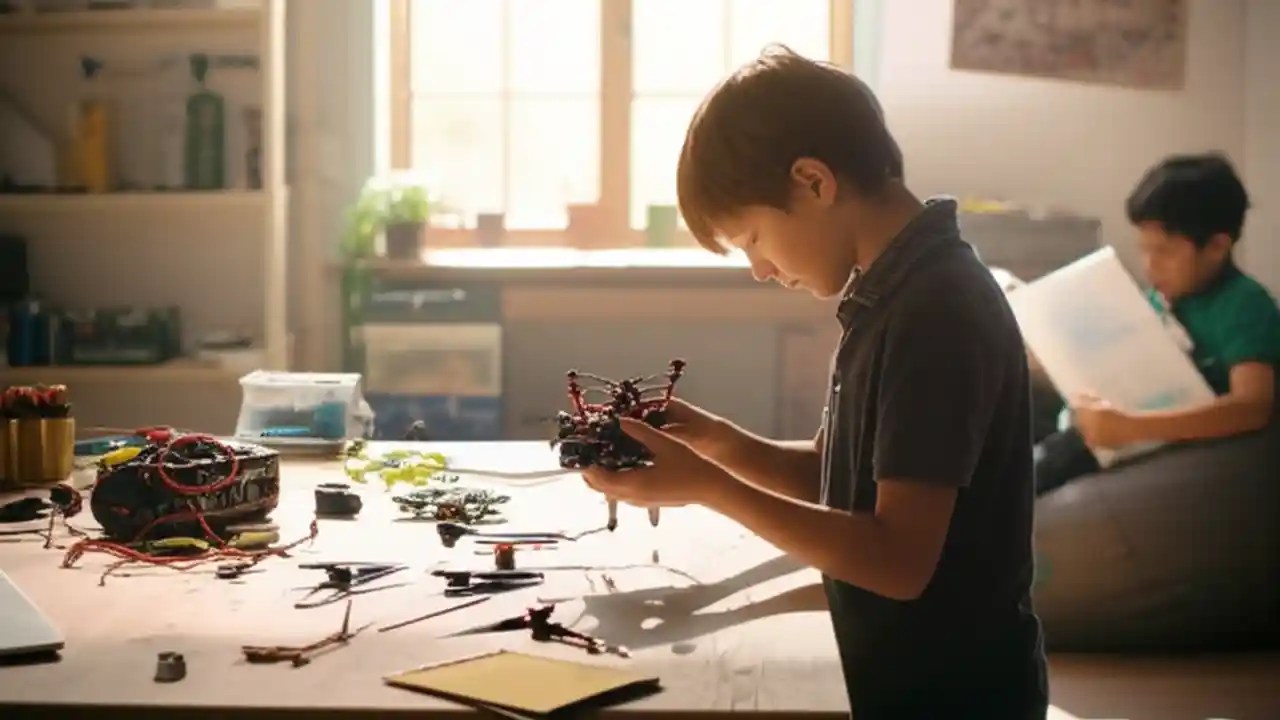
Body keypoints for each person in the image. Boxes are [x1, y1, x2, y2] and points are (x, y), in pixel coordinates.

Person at [580, 46, 1048, 718]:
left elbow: (897, 559)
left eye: (752, 238)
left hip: (948, 695)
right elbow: (841, 479)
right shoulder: (891, 293)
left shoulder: (936, 310)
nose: (760, 270)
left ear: (813, 182)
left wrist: (709, 487)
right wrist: (720, 444)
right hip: (891, 674)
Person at [1034, 153, 1280, 496]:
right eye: (1144, 250)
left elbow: (1253, 407)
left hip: (1162, 438)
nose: (1150, 267)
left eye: (1164, 252)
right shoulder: (1164, 296)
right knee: (1023, 411)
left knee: (1046, 463)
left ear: (1217, 247)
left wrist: (1131, 428)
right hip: (1123, 416)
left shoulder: (1245, 304)